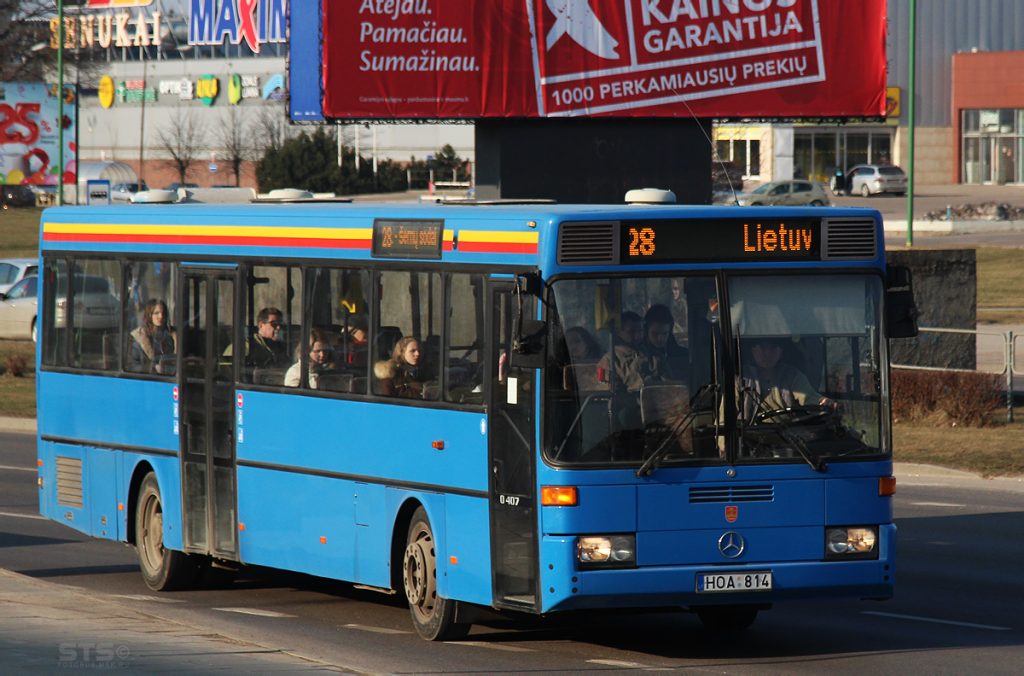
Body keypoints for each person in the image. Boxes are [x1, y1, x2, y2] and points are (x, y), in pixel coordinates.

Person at [740, 337, 836, 422]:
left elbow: (808, 396)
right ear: (753, 350)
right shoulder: (740, 378)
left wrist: (823, 403)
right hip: (748, 435)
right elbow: (731, 416)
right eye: (762, 347)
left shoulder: (792, 376)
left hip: (787, 434)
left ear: (781, 351)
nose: (767, 353)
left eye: (773, 347)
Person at [641, 304, 688, 382]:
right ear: (646, 331)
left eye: (664, 333)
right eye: (655, 334)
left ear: (670, 331)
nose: (660, 338)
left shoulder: (682, 355)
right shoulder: (638, 357)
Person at [129, 299, 176, 373]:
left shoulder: (172, 334)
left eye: (163, 313)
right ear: (149, 315)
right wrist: (152, 368)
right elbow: (132, 366)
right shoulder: (139, 337)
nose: (161, 316)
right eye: (156, 313)